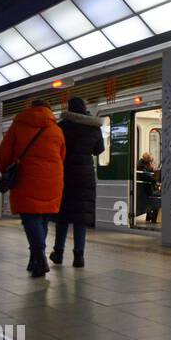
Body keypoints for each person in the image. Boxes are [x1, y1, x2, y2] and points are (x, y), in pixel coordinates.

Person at [0, 99, 66, 278]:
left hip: (26, 179)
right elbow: (62, 155)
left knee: (30, 219)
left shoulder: (18, 126)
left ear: (31, 109)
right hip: (53, 180)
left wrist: (7, 169)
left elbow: (3, 153)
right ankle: (35, 258)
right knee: (42, 219)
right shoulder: (56, 130)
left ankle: (40, 257)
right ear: (49, 110)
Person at [49, 97, 105, 268]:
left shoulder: (62, 127)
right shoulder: (93, 127)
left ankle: (58, 253)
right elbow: (99, 150)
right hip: (85, 176)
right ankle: (78, 257)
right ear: (84, 108)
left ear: (69, 109)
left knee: (63, 217)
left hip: (65, 174)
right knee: (81, 219)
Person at [136, 153, 160, 223]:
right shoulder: (142, 168)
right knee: (160, 196)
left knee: (156, 195)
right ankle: (154, 219)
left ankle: (149, 217)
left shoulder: (141, 166)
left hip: (145, 190)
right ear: (148, 162)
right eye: (151, 162)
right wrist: (156, 180)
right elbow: (150, 178)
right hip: (146, 192)